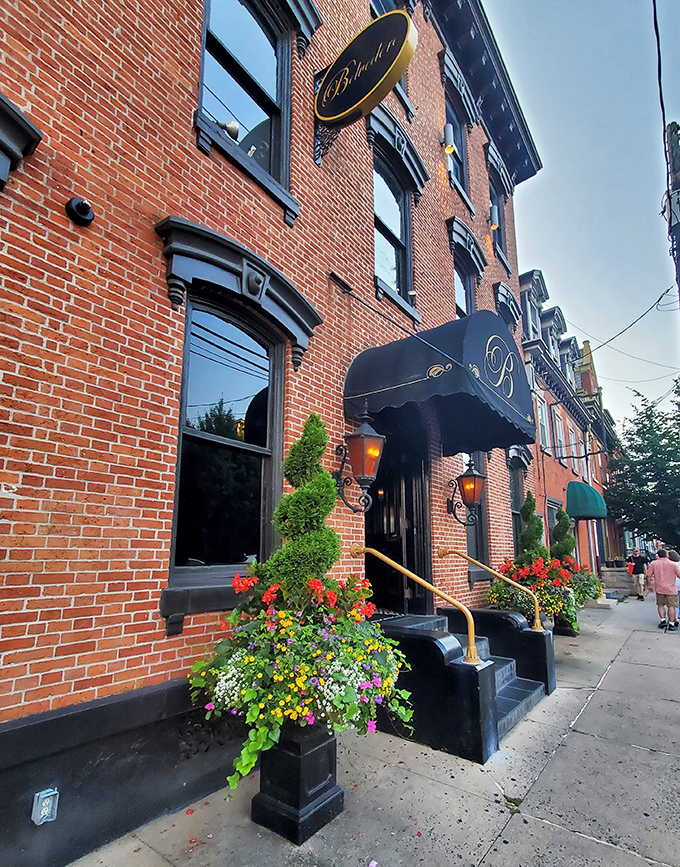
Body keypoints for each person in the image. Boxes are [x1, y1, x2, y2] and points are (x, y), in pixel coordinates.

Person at [646, 547, 680, 630]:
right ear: (667, 555)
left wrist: (649, 585)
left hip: (659, 588)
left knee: (660, 605)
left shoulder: (653, 564)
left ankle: (663, 620)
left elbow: (648, 575)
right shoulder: (673, 564)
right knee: (671, 606)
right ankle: (671, 623)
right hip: (671, 589)